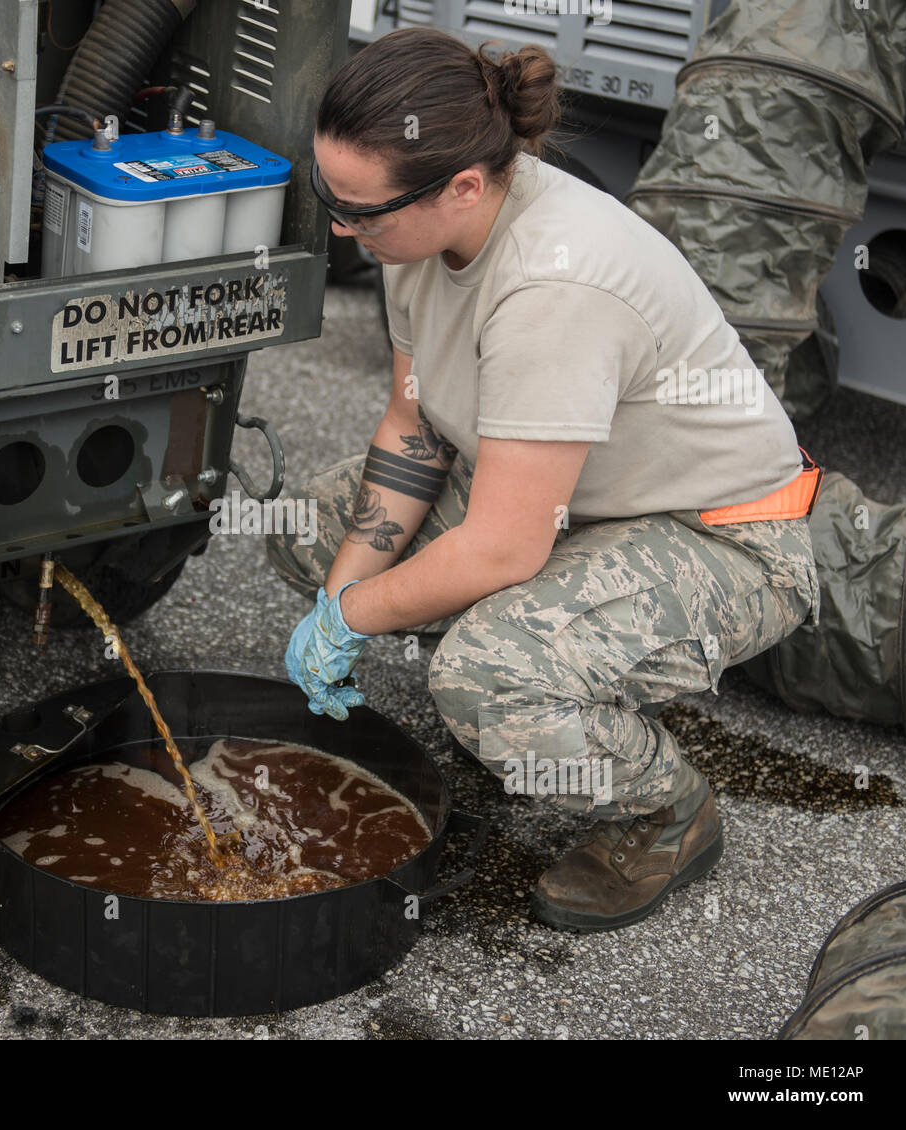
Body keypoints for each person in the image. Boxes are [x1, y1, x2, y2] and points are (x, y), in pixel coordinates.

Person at [266, 27, 822, 933]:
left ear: (466, 187)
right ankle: (521, 691)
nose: (341, 226)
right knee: (312, 527)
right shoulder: (416, 238)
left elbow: (502, 543)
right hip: (567, 496)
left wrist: (352, 620)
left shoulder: (553, 290)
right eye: (332, 194)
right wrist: (342, 592)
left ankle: (663, 814)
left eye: (362, 210)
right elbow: (413, 428)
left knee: (489, 676)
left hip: (720, 536)